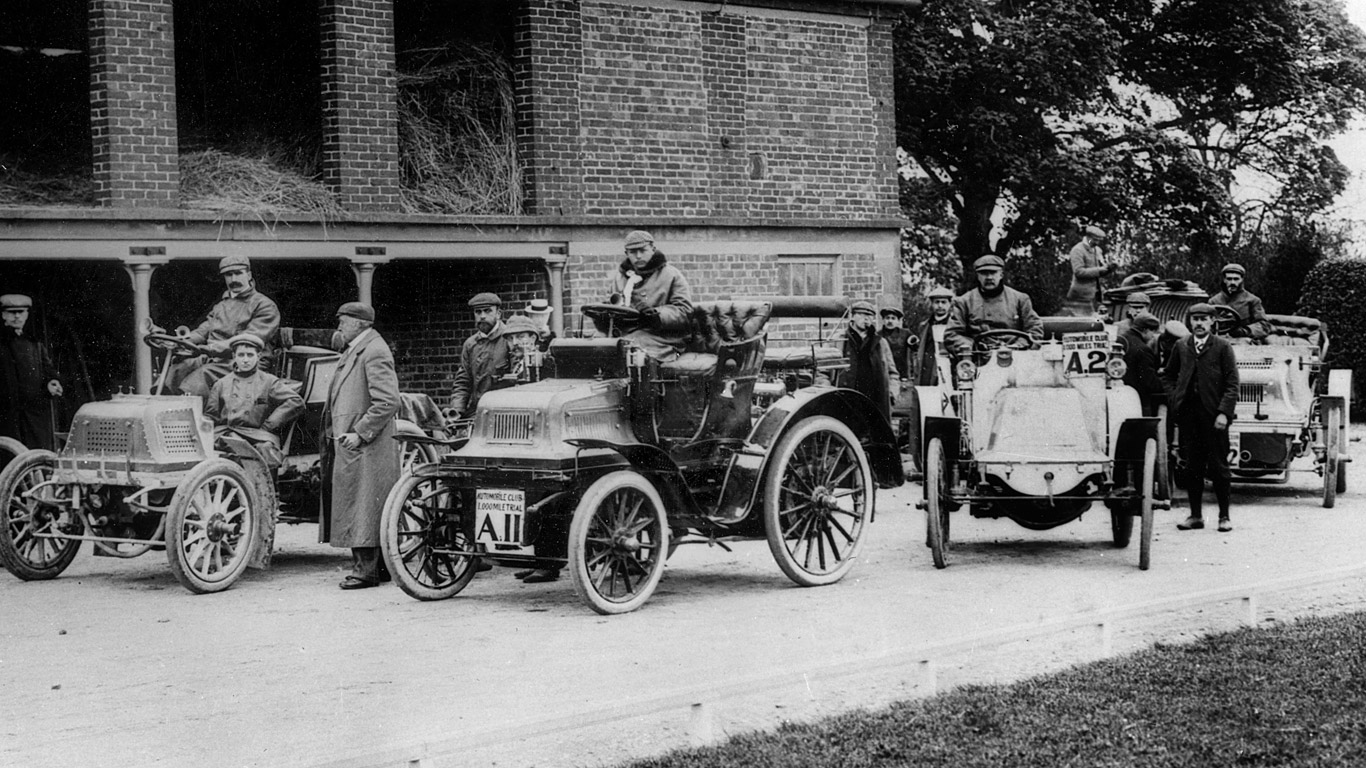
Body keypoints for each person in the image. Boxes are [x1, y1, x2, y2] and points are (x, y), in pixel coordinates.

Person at [321, 301, 401, 590]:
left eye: (344, 319)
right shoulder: (357, 349)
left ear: (361, 323)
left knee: (364, 503)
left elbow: (388, 401)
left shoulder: (374, 350)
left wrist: (360, 432)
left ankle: (364, 571)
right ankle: (378, 569)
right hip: (357, 445)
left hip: (366, 445)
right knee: (363, 502)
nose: (339, 324)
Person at [1162, 303, 1239, 533]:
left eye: (1204, 319)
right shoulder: (1181, 345)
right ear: (1190, 322)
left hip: (1214, 417)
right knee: (1191, 468)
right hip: (1189, 416)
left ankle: (1224, 517)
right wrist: (1175, 397)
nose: (1199, 323)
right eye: (1195, 319)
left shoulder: (1223, 347)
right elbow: (1168, 375)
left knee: (1219, 467)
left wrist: (1224, 412)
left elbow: (1232, 383)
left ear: (1212, 322)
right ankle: (1195, 516)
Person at [166, 255, 281, 400]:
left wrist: (210, 349)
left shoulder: (264, 305)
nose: (233, 279)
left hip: (245, 361)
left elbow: (247, 341)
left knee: (200, 377)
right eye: (228, 275)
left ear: (249, 275)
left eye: (238, 273)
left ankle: (198, 417)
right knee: (179, 368)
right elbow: (203, 332)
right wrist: (179, 341)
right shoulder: (221, 305)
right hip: (215, 359)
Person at [204, 333, 304, 468]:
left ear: (259, 356)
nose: (245, 360)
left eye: (250, 355)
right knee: (236, 445)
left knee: (265, 449)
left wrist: (269, 425)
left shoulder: (268, 381)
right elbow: (210, 416)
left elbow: (295, 401)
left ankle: (266, 487)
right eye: (241, 355)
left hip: (258, 434)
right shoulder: (221, 384)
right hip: (228, 432)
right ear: (234, 357)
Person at [598, 230, 693, 362]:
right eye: (633, 252)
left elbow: (684, 312)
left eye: (643, 250)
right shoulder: (620, 278)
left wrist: (657, 315)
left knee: (630, 350)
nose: (638, 256)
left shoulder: (671, 275)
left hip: (663, 338)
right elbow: (610, 305)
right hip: (626, 334)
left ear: (653, 249)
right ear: (626, 254)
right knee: (598, 350)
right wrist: (602, 316)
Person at [944, 255, 1044, 356]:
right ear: (978, 276)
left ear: (1001, 274)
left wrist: (1019, 346)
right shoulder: (964, 302)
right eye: (984, 273)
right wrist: (973, 346)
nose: (989, 277)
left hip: (1015, 357)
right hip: (979, 359)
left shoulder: (1020, 299)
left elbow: (1034, 328)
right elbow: (952, 334)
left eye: (993, 272)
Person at [0, 294, 63, 451]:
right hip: (7, 414)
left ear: (27, 315)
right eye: (11, 312)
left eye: (20, 312)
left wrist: (51, 382)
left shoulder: (35, 344)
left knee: (35, 455)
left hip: (34, 414)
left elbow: (48, 370)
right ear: (3, 315)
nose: (16, 316)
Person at [449, 293, 510, 422]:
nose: (482, 316)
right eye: (478, 312)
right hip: (478, 412)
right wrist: (457, 409)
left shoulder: (509, 339)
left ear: (498, 314)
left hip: (505, 412)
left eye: (488, 311)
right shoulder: (470, 344)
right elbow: (463, 381)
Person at [840, 300, 899, 423]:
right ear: (852, 317)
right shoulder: (841, 341)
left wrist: (892, 392)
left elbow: (893, 373)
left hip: (875, 401)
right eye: (861, 315)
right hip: (847, 399)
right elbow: (824, 371)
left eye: (869, 316)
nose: (866, 319)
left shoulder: (881, 343)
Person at [1119, 312, 1167, 417]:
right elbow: (1149, 382)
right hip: (1138, 400)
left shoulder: (1121, 339)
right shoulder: (1143, 349)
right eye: (1153, 332)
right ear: (1146, 330)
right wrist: (1166, 385)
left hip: (1120, 398)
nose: (1153, 336)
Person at [1208, 263, 1272, 341]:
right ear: (1224, 280)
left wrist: (1244, 331)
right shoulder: (1214, 301)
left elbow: (1264, 326)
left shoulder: (1252, 300)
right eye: (1229, 279)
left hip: (1244, 340)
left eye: (1236, 279)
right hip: (1219, 339)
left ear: (1242, 279)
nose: (1232, 282)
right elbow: (1206, 323)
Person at [1064, 226, 1116, 316]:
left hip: (1094, 295)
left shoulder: (1098, 250)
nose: (1097, 243)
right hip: (1080, 296)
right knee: (1082, 323)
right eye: (1095, 240)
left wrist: (1108, 269)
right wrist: (1100, 269)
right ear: (1088, 237)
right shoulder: (1077, 250)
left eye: (1099, 240)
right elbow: (1078, 272)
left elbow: (1098, 272)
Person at [911, 286, 954, 386]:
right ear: (932, 304)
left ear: (949, 304)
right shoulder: (924, 326)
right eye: (936, 302)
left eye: (943, 302)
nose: (940, 306)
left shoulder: (955, 325)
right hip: (927, 371)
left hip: (947, 371)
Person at [878, 303, 913, 382]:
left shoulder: (906, 333)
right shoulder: (877, 335)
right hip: (884, 373)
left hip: (902, 374)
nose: (890, 321)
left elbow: (916, 348)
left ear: (898, 321)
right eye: (887, 318)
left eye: (893, 318)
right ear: (883, 320)